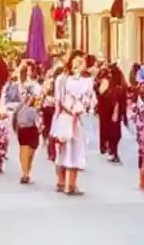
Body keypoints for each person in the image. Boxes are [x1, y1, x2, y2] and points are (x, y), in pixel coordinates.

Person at [53, 52, 96, 194]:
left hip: (75, 119)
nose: (79, 65)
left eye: (82, 62)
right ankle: (65, 183)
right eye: (77, 61)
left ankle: (68, 182)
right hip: (67, 117)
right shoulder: (63, 79)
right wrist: (72, 108)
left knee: (72, 149)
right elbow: (58, 99)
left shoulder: (86, 81)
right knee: (66, 149)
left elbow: (91, 101)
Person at [98, 64, 128, 164]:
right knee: (115, 134)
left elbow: (103, 95)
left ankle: (113, 152)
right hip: (112, 114)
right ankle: (113, 152)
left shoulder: (114, 87)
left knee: (113, 134)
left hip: (110, 114)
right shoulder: (118, 86)